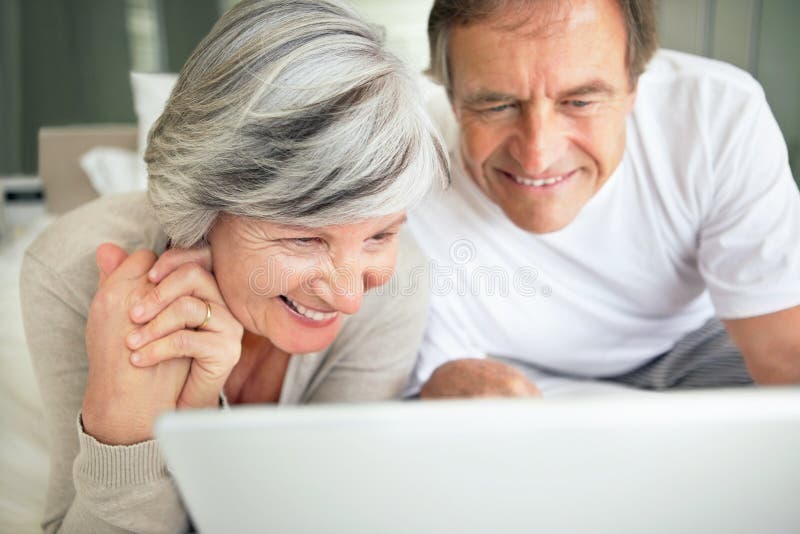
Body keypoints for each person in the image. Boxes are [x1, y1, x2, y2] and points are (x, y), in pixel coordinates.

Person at [20, 0, 448, 531]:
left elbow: (333, 517)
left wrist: (197, 419)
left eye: (380, 233)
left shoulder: (396, 281)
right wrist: (124, 429)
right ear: (204, 211)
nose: (349, 299)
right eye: (306, 239)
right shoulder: (70, 269)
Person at [407, 0, 800, 398]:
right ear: (452, 96)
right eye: (498, 105)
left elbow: (781, 349)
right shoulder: (399, 161)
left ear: (634, 88)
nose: (537, 156)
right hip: (502, 367)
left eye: (579, 102)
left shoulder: (714, 115)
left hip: (692, 347)